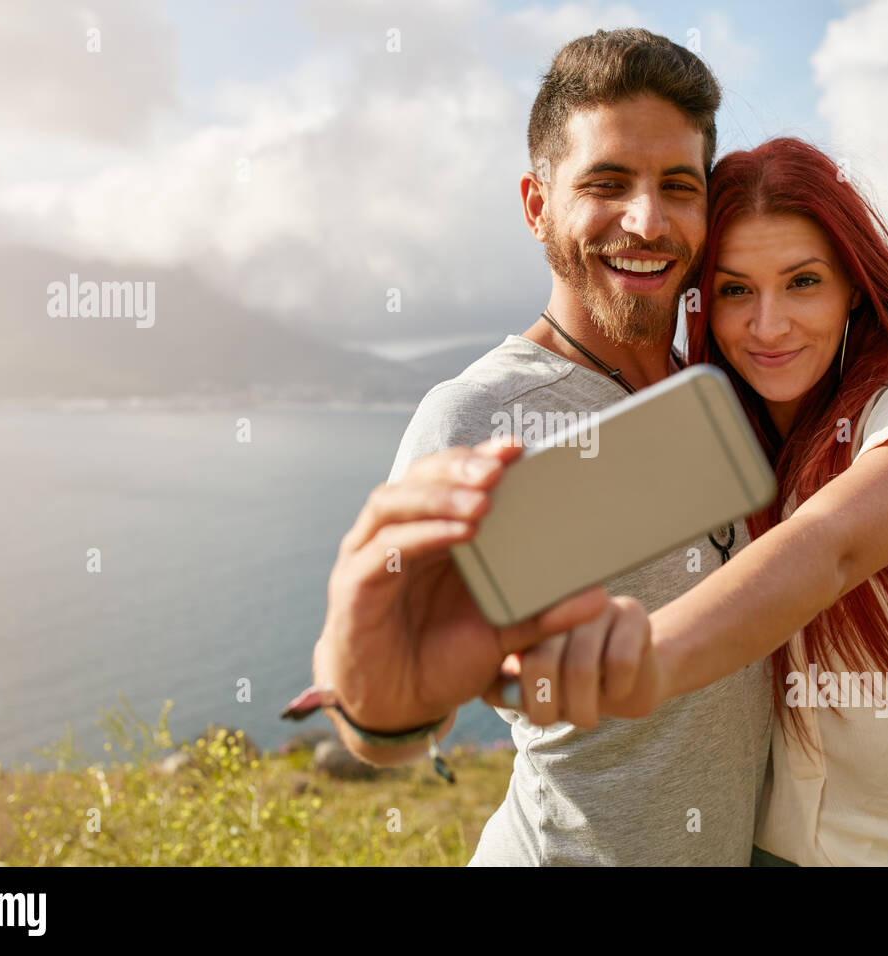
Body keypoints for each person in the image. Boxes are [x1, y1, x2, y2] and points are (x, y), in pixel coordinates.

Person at [483, 137, 888, 865]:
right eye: (736, 290)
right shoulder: (727, 442)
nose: (768, 327)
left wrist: (630, 665)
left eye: (803, 283)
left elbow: (829, 550)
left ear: (853, 286)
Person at [312, 29, 772, 866]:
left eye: (679, 186)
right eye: (606, 183)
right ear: (537, 206)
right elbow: (392, 722)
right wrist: (377, 713)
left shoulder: (727, 388)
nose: (647, 220)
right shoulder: (475, 418)